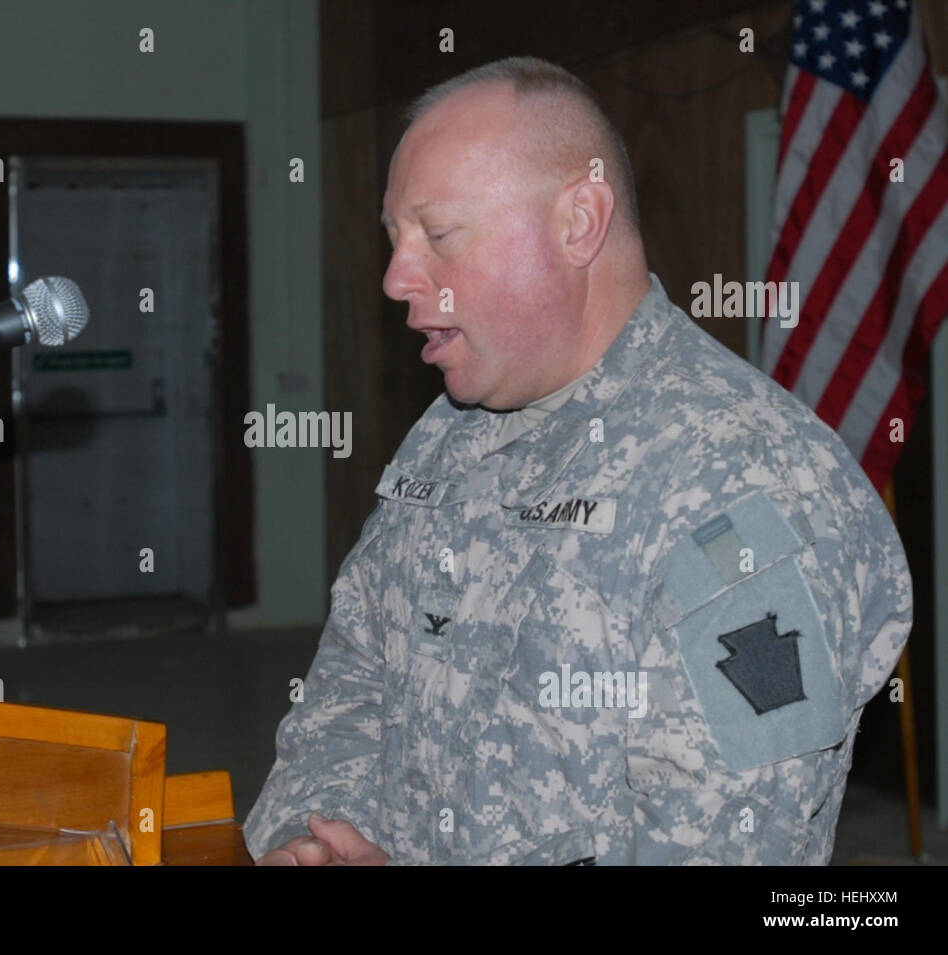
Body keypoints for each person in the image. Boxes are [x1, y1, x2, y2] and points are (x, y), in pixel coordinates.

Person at [244, 56, 914, 865]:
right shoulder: (451, 434)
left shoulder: (741, 477)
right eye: (394, 239)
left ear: (579, 223)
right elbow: (356, 675)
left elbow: (719, 845)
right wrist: (312, 834)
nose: (395, 278)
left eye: (438, 235)